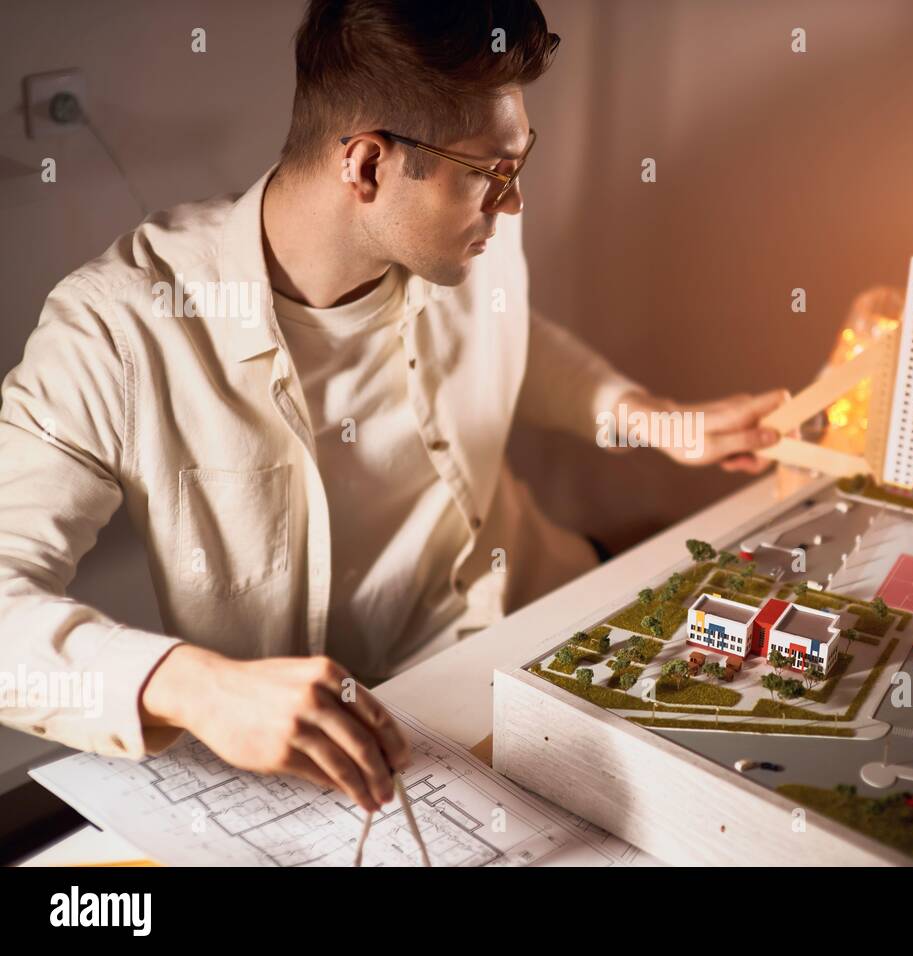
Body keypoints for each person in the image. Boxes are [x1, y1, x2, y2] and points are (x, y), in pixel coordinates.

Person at [0, 0, 783, 813]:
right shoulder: (115, 331)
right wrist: (193, 686)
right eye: (492, 174)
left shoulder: (466, 240)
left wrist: (639, 413)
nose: (511, 205)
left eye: (518, 166)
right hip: (367, 749)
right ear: (367, 166)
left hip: (547, 619)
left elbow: (515, 333)